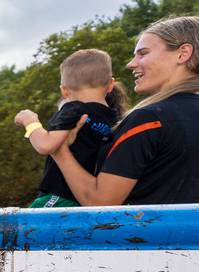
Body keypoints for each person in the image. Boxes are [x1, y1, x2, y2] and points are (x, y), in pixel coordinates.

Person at [51, 16, 199, 205]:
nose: (131, 64)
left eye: (143, 53)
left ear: (183, 53)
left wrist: (58, 149)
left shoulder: (149, 119)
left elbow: (102, 203)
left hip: (141, 234)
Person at [14, 49, 127, 207]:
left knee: (23, 231)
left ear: (64, 90)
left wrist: (30, 121)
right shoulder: (115, 119)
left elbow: (46, 145)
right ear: (110, 85)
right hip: (87, 197)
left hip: (59, 198)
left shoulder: (73, 110)